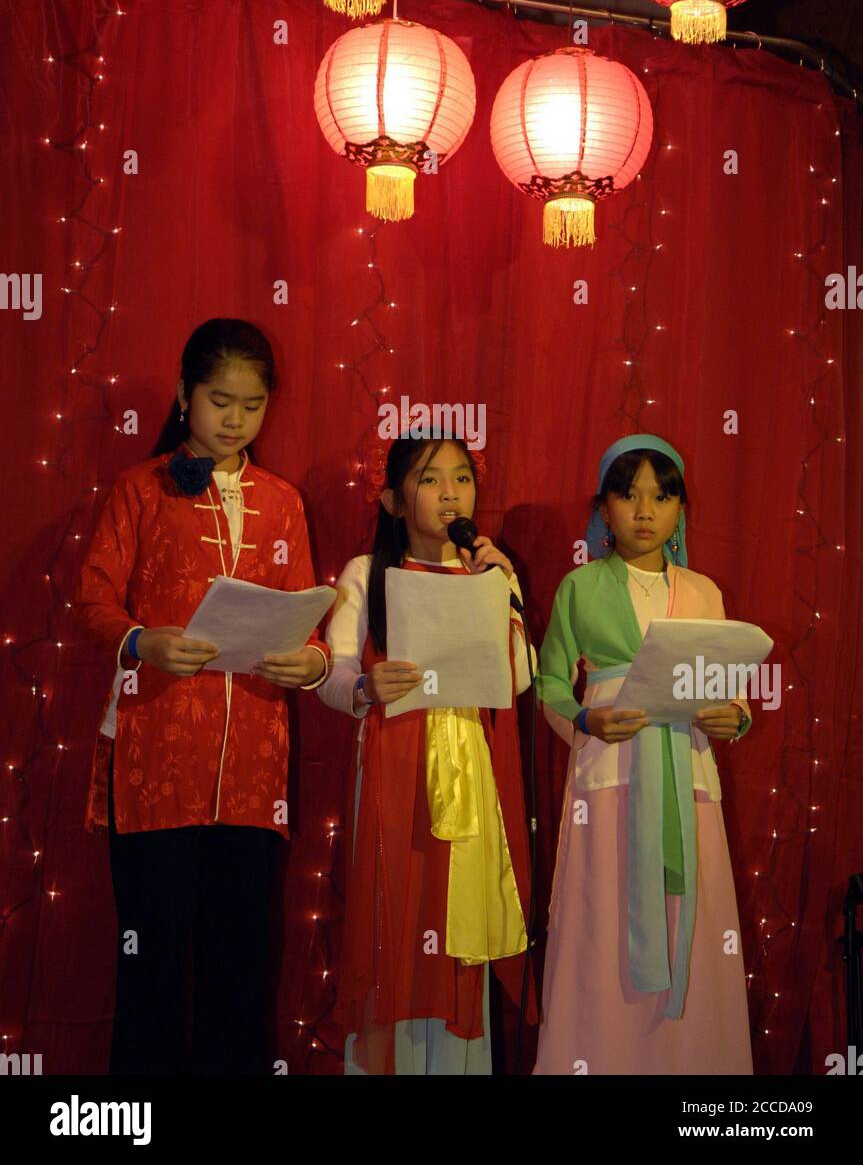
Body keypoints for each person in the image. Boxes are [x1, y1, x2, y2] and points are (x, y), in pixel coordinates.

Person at [73, 318, 330, 1075]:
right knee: (150, 965)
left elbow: (307, 616)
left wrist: (309, 665)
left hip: (252, 770)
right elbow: (94, 605)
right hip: (156, 759)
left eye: (251, 405)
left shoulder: (283, 501)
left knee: (239, 968)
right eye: (220, 400)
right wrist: (144, 641)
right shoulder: (139, 488)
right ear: (186, 395)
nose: (235, 418)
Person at [534, 433, 753, 1075]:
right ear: (602, 507)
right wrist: (587, 717)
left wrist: (729, 717)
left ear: (681, 508)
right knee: (602, 918)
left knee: (693, 914)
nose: (644, 510)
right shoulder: (579, 587)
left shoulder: (706, 592)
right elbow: (549, 682)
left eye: (661, 496)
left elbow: (730, 697)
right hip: (612, 778)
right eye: (627, 495)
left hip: (686, 779)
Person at [317, 432, 535, 1074]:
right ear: (392, 499)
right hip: (395, 760)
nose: (450, 493)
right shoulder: (367, 573)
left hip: (471, 767)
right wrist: (364, 686)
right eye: (430, 479)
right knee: (396, 918)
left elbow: (519, 678)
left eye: (462, 478)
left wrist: (499, 589)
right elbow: (333, 674)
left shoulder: (493, 570)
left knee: (460, 921)